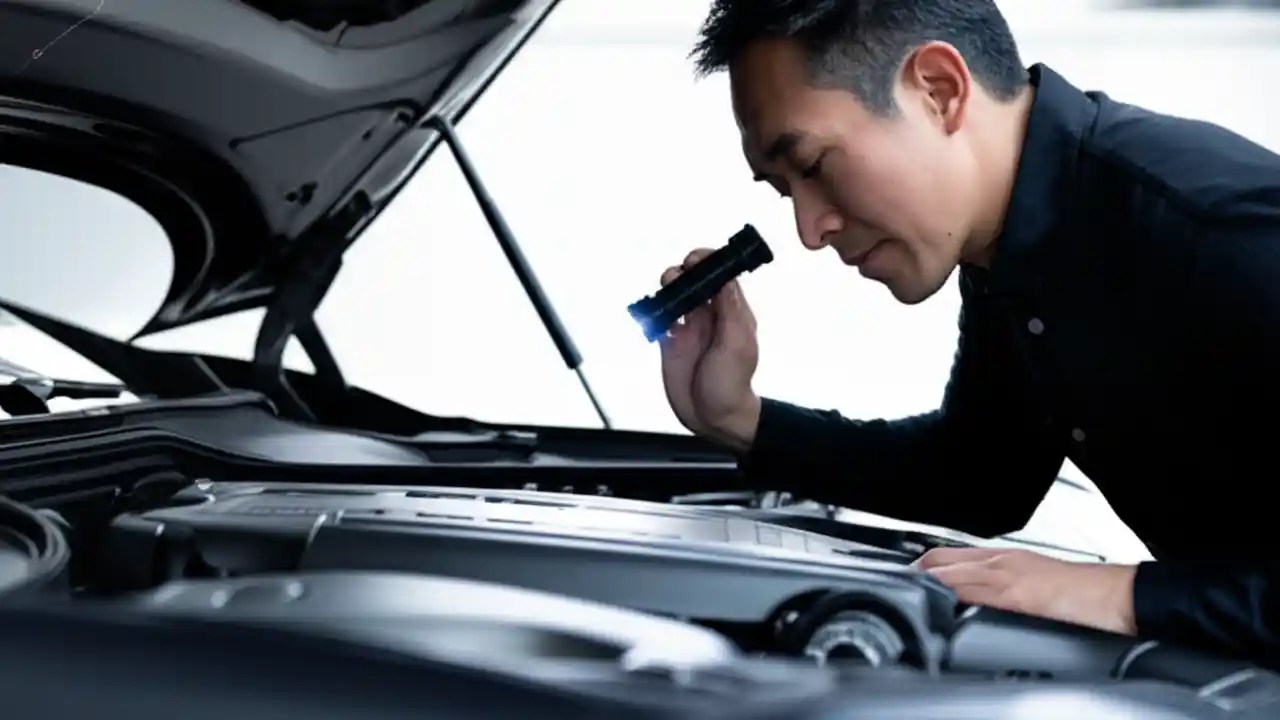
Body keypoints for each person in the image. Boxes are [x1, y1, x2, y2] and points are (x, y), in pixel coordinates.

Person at [659, 0, 1280, 668]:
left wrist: (1122, 594)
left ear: (939, 90)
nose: (810, 230)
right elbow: (983, 477)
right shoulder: (1011, 244)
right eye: (784, 192)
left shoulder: (1218, 231)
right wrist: (739, 418)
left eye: (812, 166)